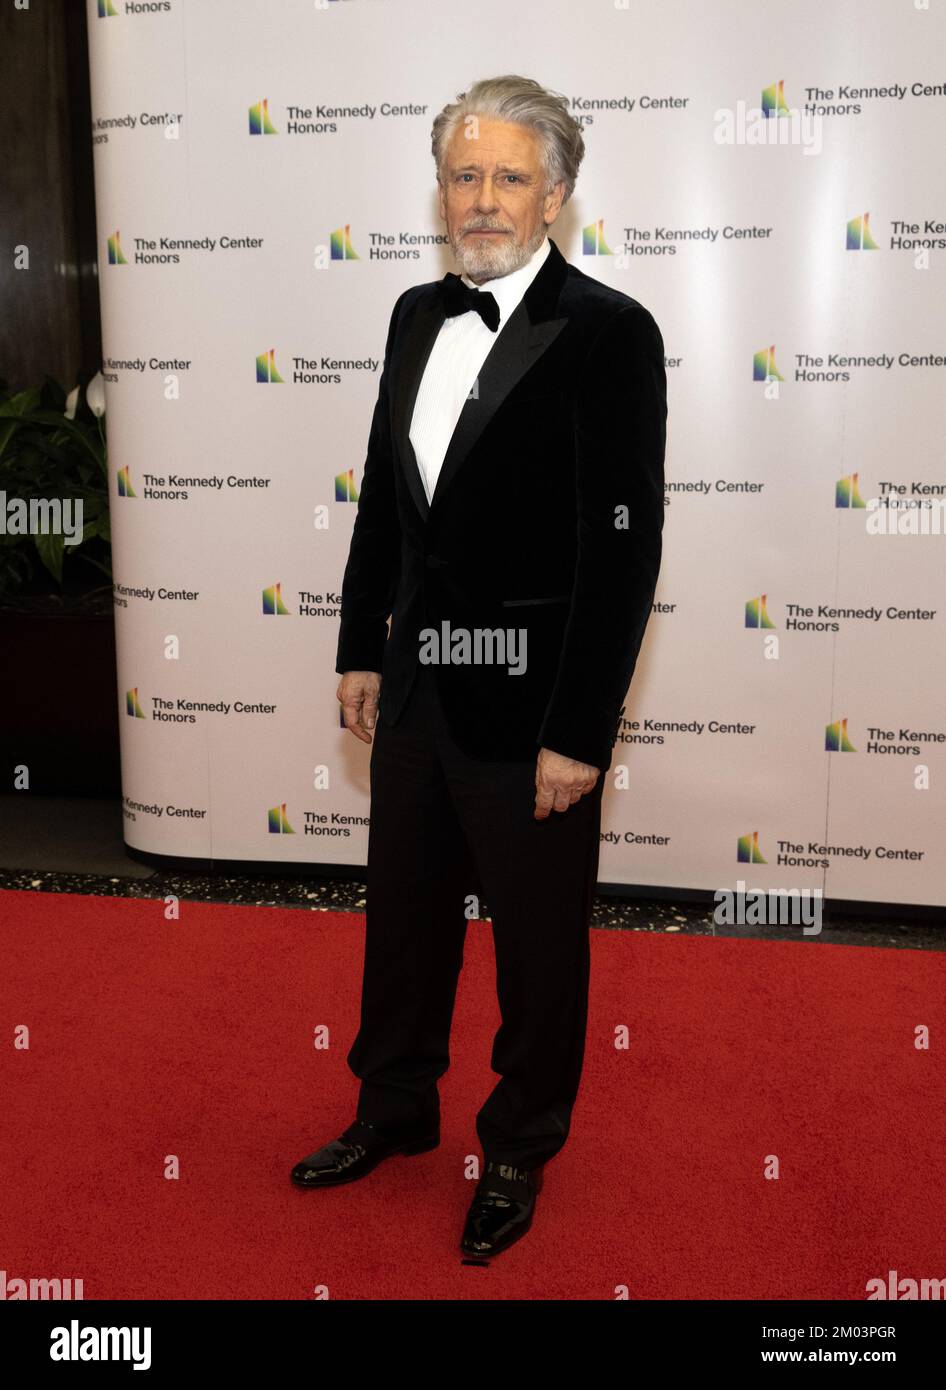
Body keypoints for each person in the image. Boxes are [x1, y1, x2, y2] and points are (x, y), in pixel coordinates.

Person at [290, 74, 667, 1260]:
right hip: (416, 686)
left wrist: (579, 729)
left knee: (537, 941)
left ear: (555, 196)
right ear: (440, 189)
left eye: (511, 177)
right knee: (402, 921)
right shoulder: (412, 313)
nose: (485, 198)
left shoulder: (610, 332)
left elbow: (622, 551)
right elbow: (382, 510)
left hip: (531, 706)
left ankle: (516, 1145)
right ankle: (393, 1109)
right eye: (466, 174)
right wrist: (362, 643)